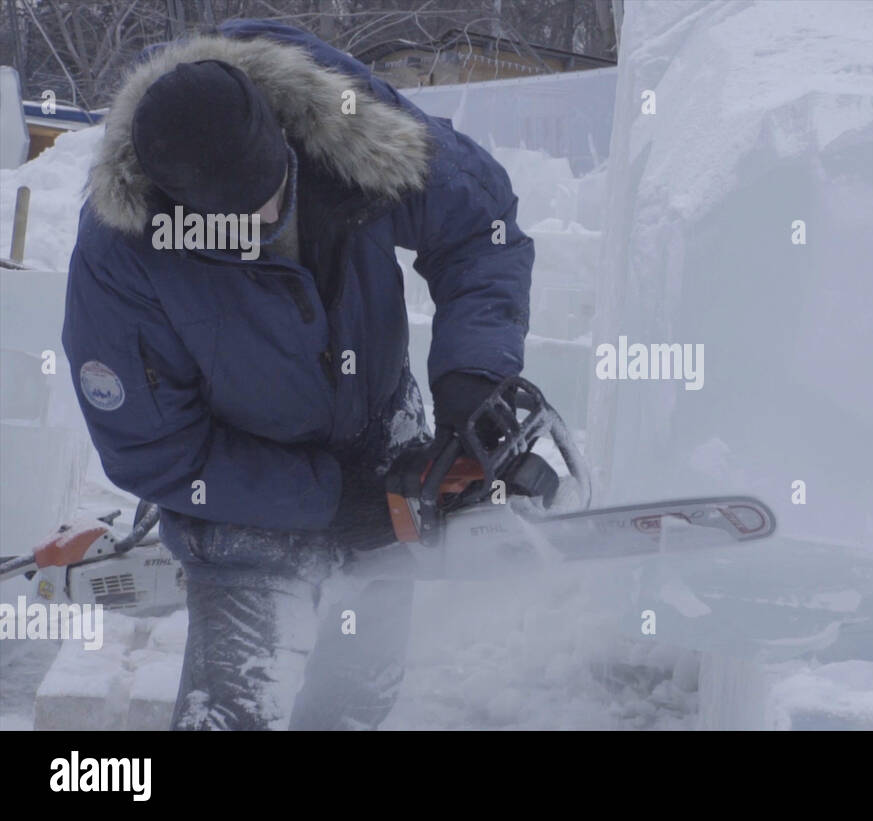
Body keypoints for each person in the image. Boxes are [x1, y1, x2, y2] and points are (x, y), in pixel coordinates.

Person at [63, 19, 533, 730]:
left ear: (285, 140)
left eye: (275, 196)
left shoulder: (341, 121)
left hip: (378, 424)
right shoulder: (120, 259)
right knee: (234, 711)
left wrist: (473, 375)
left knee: (356, 696)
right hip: (241, 495)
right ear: (181, 211)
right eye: (241, 223)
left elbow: (481, 226)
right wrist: (333, 500)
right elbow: (156, 450)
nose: (267, 219)